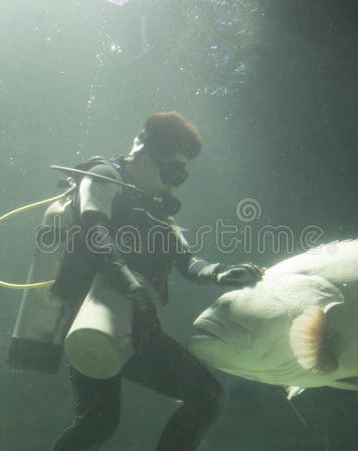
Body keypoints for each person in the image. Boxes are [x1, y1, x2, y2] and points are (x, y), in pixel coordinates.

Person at [51, 111, 263, 451]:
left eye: (181, 173)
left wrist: (219, 272)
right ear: (142, 153)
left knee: (203, 397)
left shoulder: (157, 209)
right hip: (91, 320)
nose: (175, 181)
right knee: (99, 422)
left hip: (139, 327)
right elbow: (94, 229)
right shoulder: (103, 176)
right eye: (172, 170)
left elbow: (186, 260)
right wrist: (125, 278)